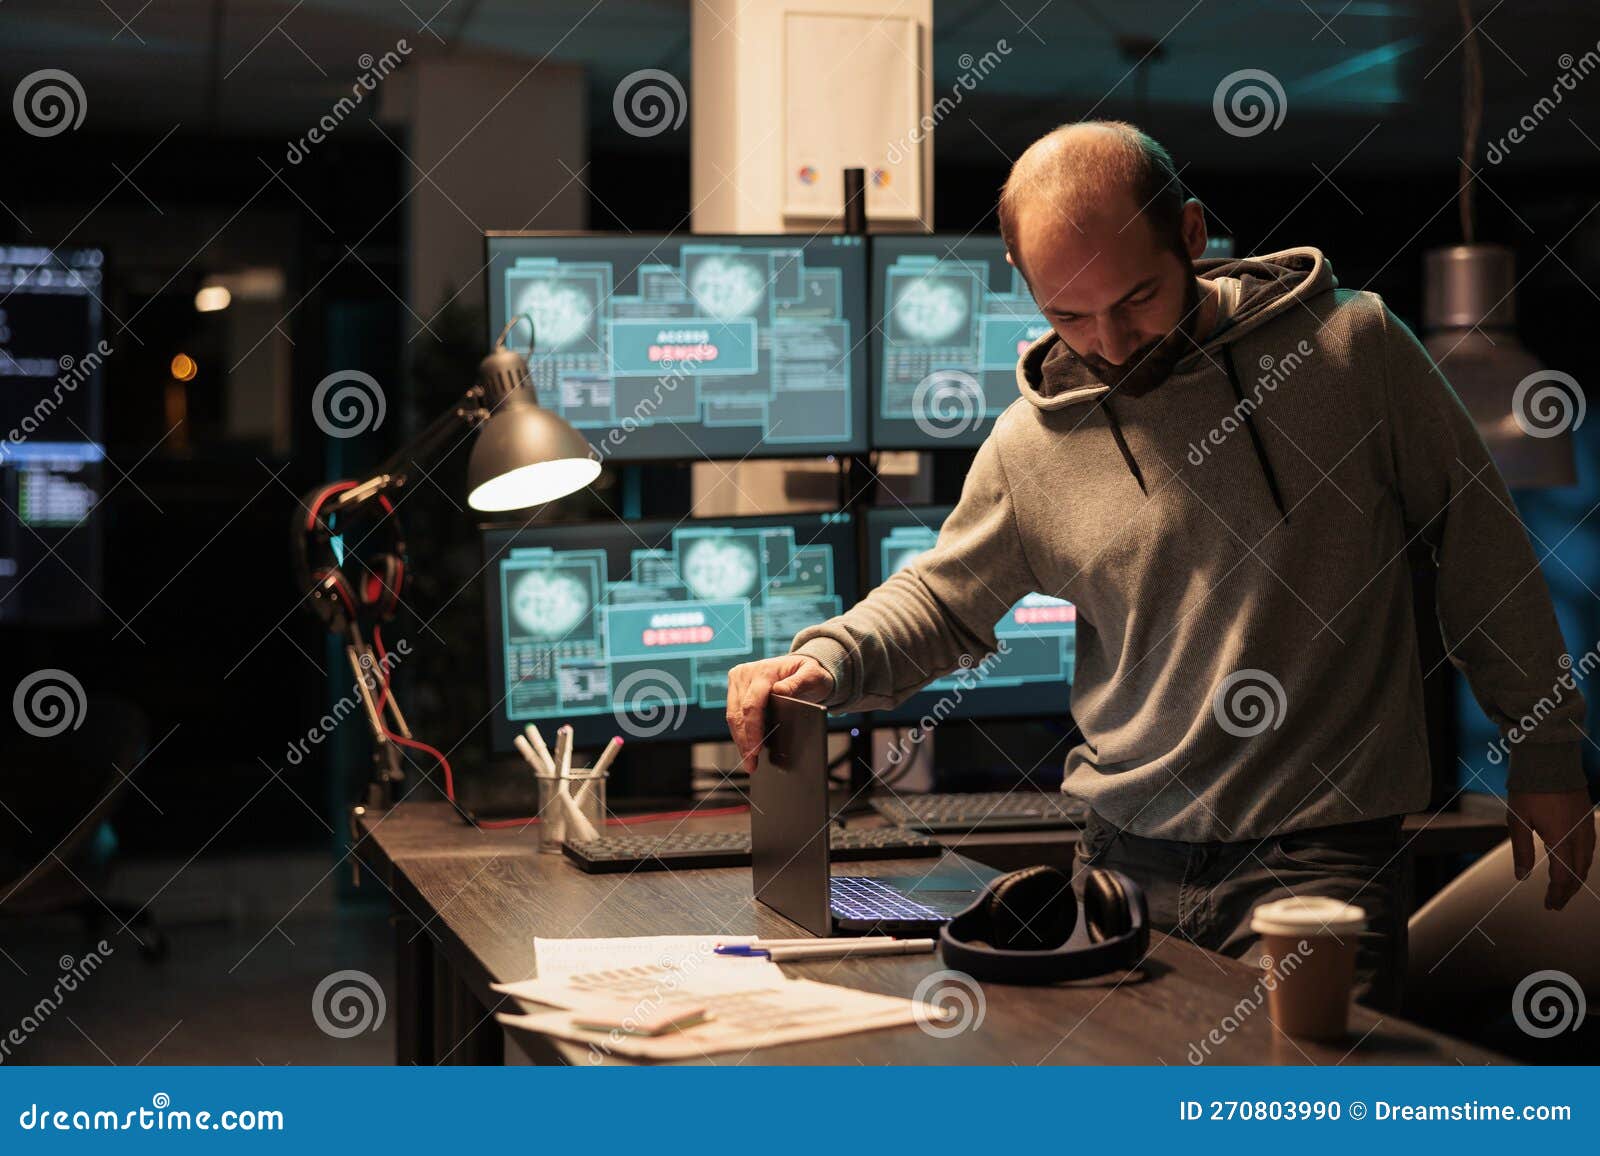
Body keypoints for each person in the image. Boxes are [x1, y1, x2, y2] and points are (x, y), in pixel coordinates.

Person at [723, 121, 1594, 1008]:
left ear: (1190, 235)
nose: (1109, 342)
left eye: (1135, 298)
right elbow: (944, 603)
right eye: (1068, 314)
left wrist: (1547, 749)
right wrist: (825, 660)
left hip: (1318, 862)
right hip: (1121, 860)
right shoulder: (1035, 441)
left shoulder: (1350, 350)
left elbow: (1480, 543)